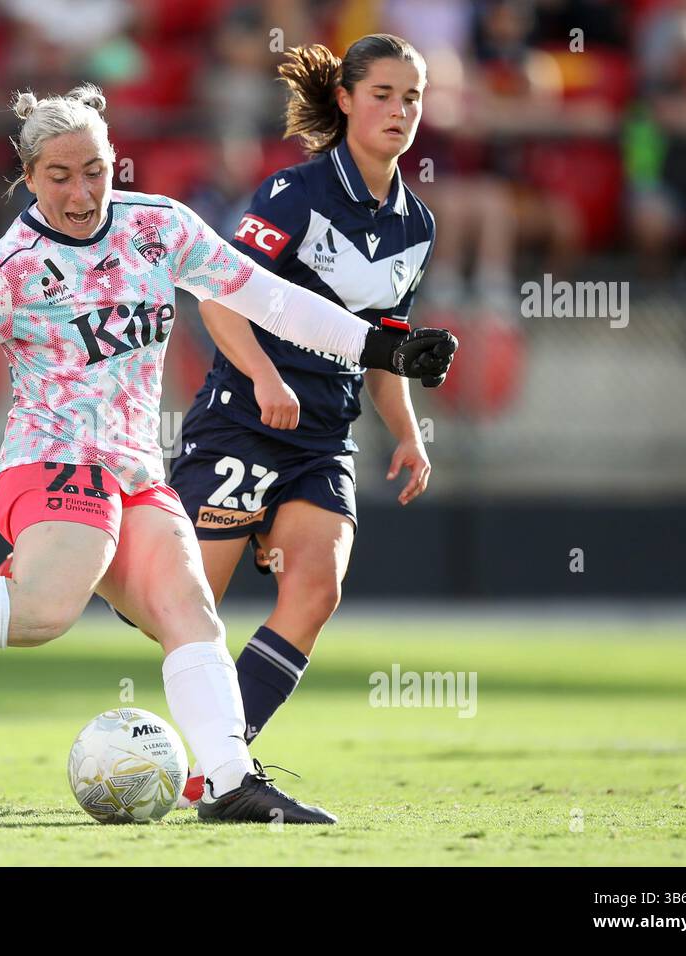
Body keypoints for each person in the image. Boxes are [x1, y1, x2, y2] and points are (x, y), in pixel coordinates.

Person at [0, 85, 457, 825]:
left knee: (190, 614)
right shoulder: (6, 271)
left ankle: (231, 782)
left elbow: (270, 299)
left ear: (114, 163)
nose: (82, 191)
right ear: (29, 178)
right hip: (50, 461)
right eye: (60, 176)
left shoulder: (159, 227)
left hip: (136, 471)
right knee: (45, 612)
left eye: (95, 170)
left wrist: (385, 346)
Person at [167, 37, 439, 799]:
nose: (399, 110)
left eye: (412, 97)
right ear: (346, 100)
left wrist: (410, 433)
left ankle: (216, 772)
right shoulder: (293, 194)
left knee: (316, 593)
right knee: (182, 608)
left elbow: (384, 350)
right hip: (243, 425)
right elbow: (219, 295)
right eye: (383, 93)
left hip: (322, 439)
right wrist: (261, 376)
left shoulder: (417, 226)